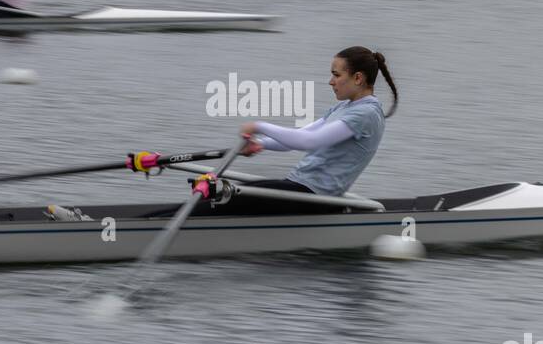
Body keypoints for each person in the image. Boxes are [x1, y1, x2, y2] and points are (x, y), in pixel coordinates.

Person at [168, 46, 398, 218]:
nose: (330, 81)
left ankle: (153, 223)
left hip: (314, 197)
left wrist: (259, 126)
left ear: (358, 78)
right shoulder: (346, 106)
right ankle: (158, 218)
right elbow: (299, 135)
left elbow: (308, 141)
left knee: (223, 198)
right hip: (300, 188)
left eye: (336, 75)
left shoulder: (365, 114)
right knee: (221, 197)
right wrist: (261, 144)